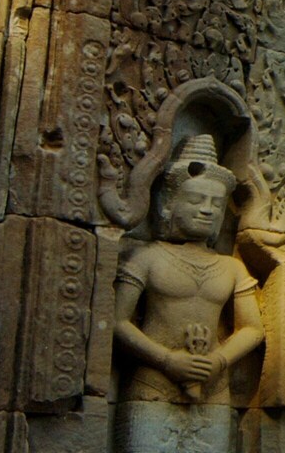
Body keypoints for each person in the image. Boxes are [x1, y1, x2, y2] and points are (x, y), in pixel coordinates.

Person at [113, 134, 264, 452]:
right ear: (169, 204)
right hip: (151, 385)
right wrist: (168, 360)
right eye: (196, 200)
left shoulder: (231, 267)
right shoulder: (148, 258)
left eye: (216, 204)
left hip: (212, 390)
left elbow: (253, 329)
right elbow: (117, 322)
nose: (207, 210)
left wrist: (218, 361)